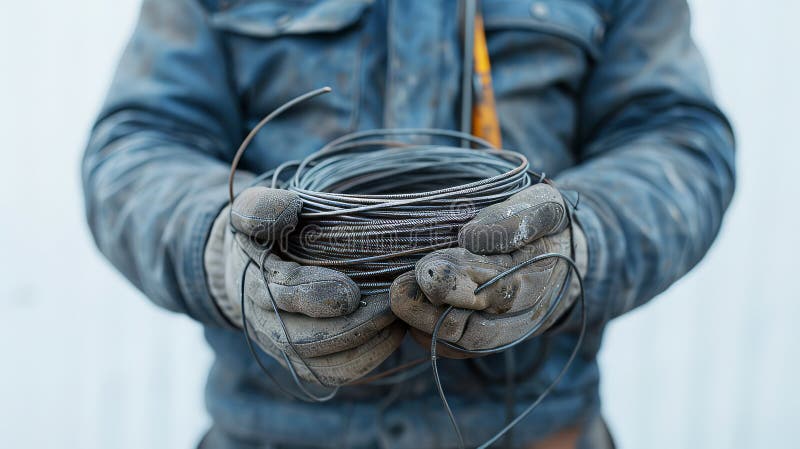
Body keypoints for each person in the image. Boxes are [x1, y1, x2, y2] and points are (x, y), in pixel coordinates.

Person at [82, 0, 736, 448]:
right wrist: (222, 258)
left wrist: (579, 245)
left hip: (537, 429)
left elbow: (676, 136)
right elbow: (137, 145)